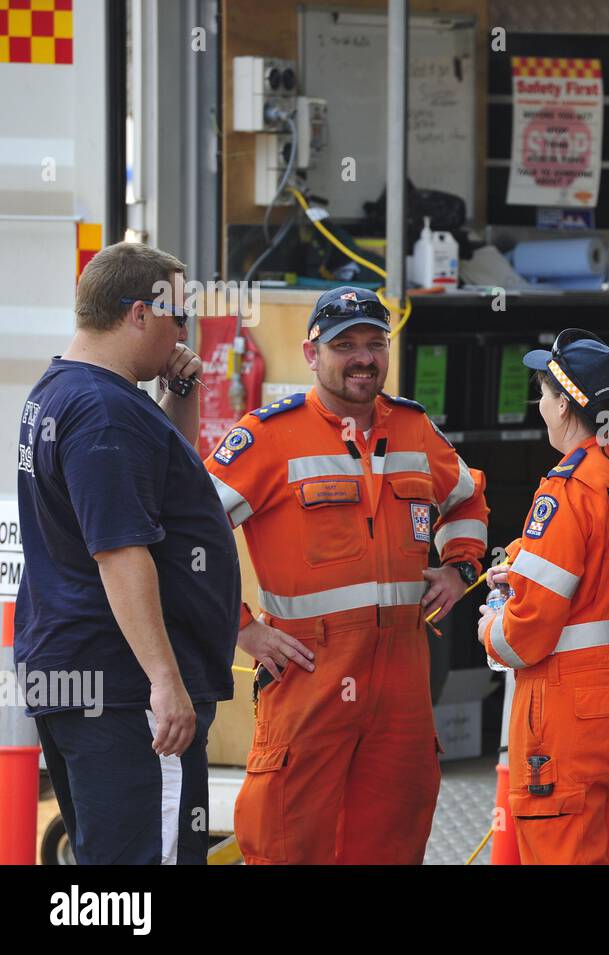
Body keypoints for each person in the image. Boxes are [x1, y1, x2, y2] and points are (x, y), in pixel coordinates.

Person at [204, 286, 489, 864]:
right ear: (312, 354)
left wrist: (460, 568)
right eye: (345, 345)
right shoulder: (267, 437)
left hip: (402, 683)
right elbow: (187, 535)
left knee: (393, 840)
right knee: (287, 842)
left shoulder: (414, 429)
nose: (364, 357)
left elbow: (467, 500)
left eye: (374, 343)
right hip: (309, 676)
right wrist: (240, 627)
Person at [15, 241, 240, 864]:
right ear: (139, 313)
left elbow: (163, 483)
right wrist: (164, 682)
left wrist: (183, 393)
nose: (183, 331)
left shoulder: (75, 391)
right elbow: (120, 553)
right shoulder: (103, 412)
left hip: (87, 674)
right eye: (177, 315)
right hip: (123, 688)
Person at [479, 329, 609, 865]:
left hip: (577, 709)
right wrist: (527, 558)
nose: (538, 405)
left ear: (566, 404)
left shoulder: (569, 488)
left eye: (543, 393)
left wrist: (489, 626)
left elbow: (523, 638)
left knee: (562, 847)